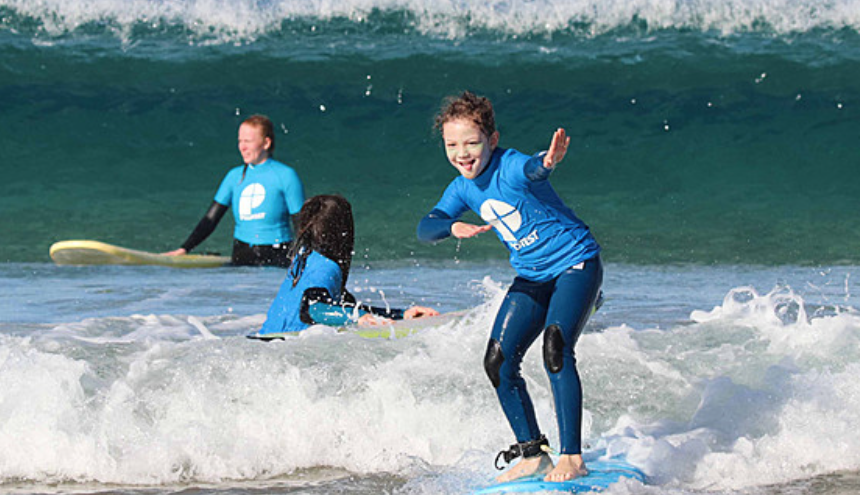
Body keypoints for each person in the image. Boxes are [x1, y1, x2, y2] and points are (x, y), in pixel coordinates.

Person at [417, 91, 603, 483]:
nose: (462, 153)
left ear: (493, 140)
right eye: (452, 145)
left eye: (472, 143)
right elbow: (425, 227)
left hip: (576, 264)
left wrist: (548, 161)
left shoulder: (511, 165)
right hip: (532, 276)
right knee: (498, 361)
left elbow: (534, 169)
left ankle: (572, 456)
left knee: (555, 347)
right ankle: (533, 453)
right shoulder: (461, 188)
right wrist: (452, 226)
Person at [258, 194, 439, 335]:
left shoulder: (303, 260)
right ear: (343, 233)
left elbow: (343, 309)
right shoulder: (326, 267)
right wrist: (359, 318)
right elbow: (313, 308)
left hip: (264, 341)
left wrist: (401, 314)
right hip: (282, 345)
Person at [164, 115, 305, 267]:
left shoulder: (285, 175)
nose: (242, 147)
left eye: (248, 141)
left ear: (266, 143)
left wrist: (303, 255)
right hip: (241, 255)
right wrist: (185, 248)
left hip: (277, 257)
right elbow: (211, 220)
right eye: (240, 141)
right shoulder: (234, 176)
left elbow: (301, 223)